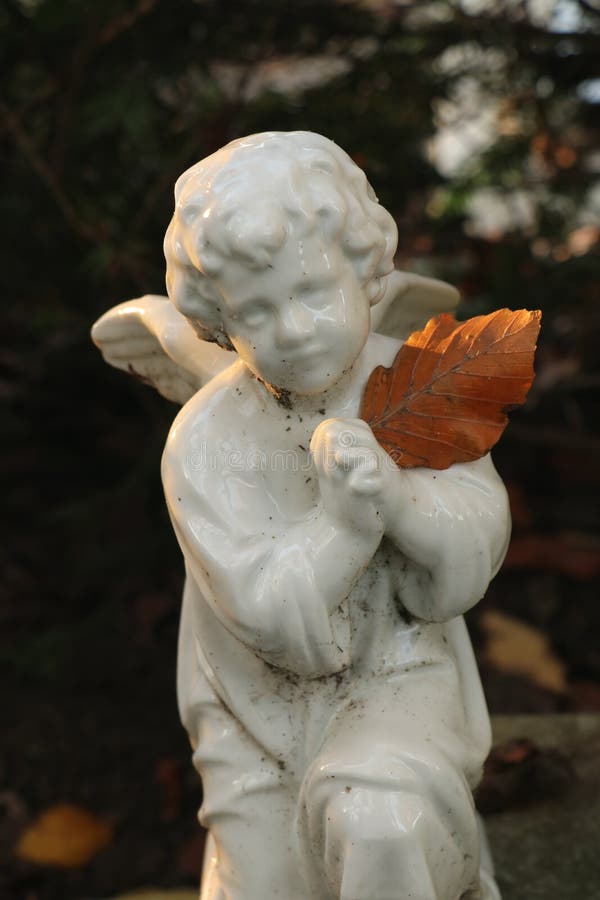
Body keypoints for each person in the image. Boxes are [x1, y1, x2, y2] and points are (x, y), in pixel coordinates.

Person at [160, 131, 510, 900]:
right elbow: (266, 618)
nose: (290, 329)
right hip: (259, 717)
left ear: (368, 273)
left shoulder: (421, 385)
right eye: (256, 311)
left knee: (379, 821)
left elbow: (475, 541)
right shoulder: (208, 441)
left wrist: (396, 500)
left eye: (313, 293)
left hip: (399, 679)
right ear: (219, 323)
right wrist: (343, 530)